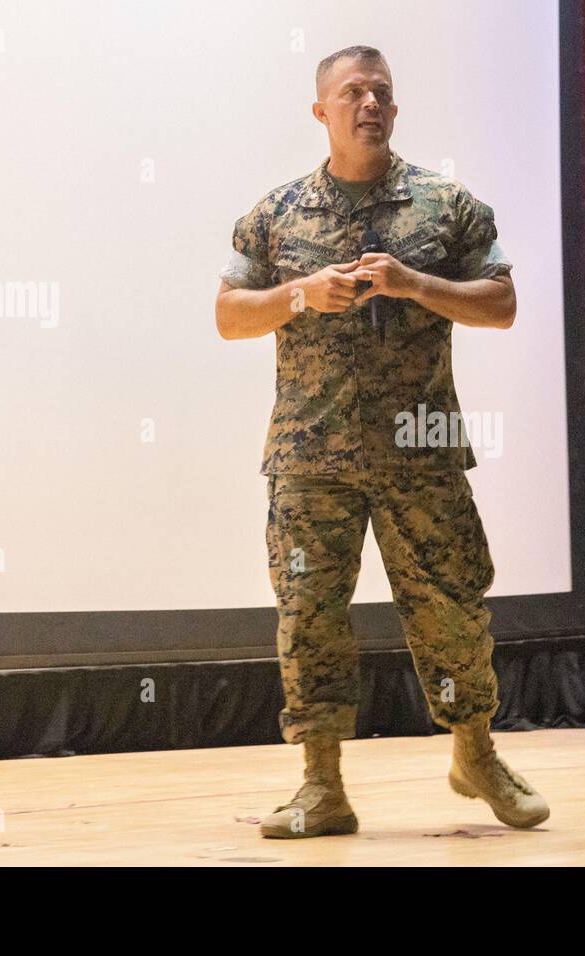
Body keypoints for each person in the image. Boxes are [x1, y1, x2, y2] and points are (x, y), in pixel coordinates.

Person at [215, 45, 549, 837]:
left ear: (394, 111)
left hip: (421, 449)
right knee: (310, 616)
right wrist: (300, 294)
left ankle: (476, 754)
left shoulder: (446, 206)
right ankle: (321, 787)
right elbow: (230, 315)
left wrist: (412, 283)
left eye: (382, 93)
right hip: (310, 455)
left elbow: (501, 303)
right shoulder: (274, 214)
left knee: (452, 612)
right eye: (352, 92)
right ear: (321, 111)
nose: (369, 103)